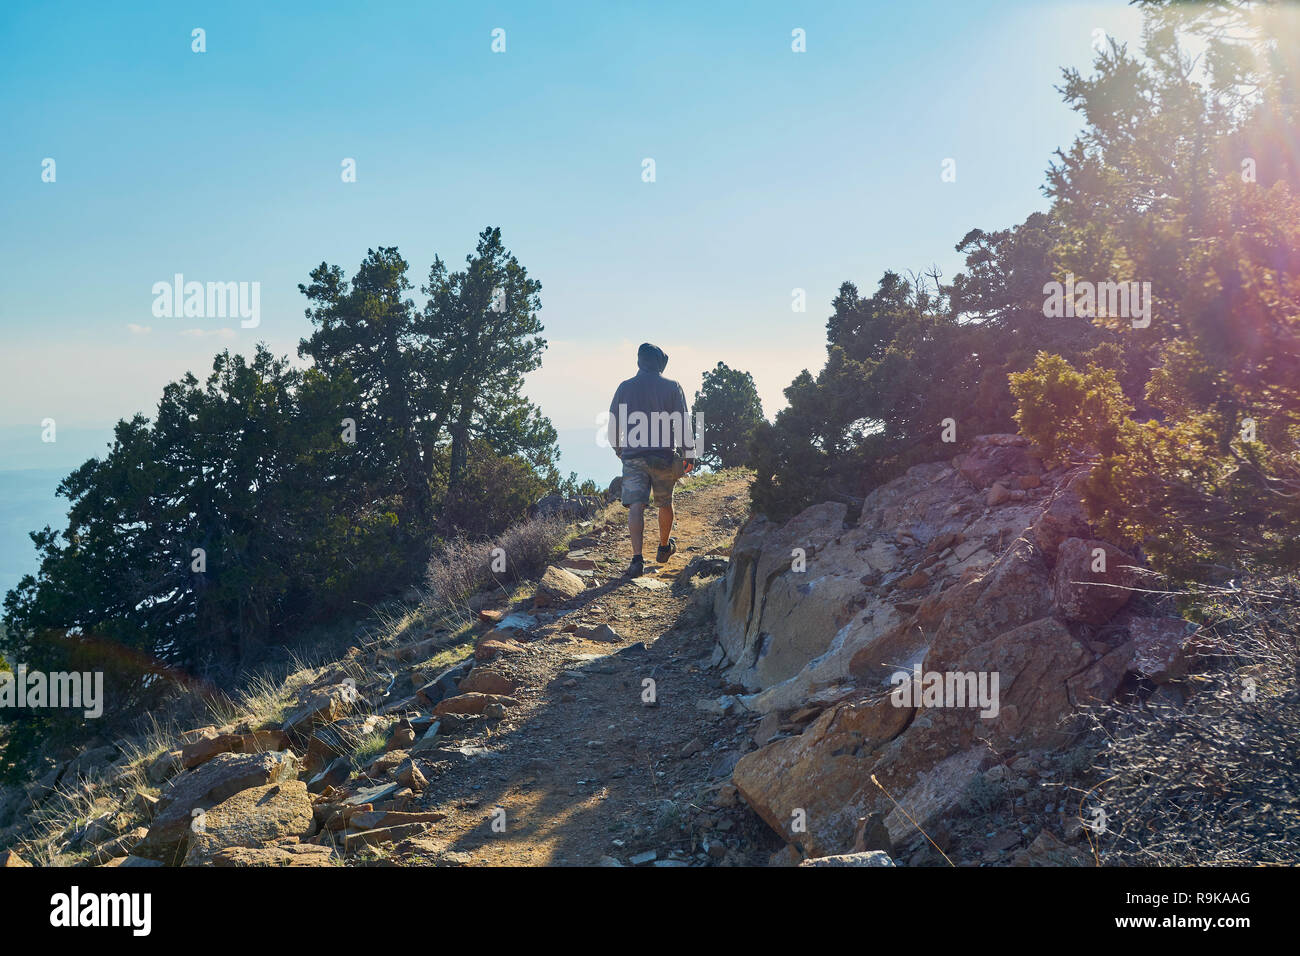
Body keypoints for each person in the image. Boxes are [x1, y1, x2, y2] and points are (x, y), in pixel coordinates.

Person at [607, 343, 697, 577]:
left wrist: (619, 449)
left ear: (639, 361)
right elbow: (682, 422)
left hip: (633, 455)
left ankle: (637, 559)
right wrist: (689, 453)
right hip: (663, 456)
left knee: (636, 505)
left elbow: (613, 423)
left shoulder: (624, 387)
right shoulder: (672, 387)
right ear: (660, 363)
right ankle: (664, 547)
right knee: (665, 502)